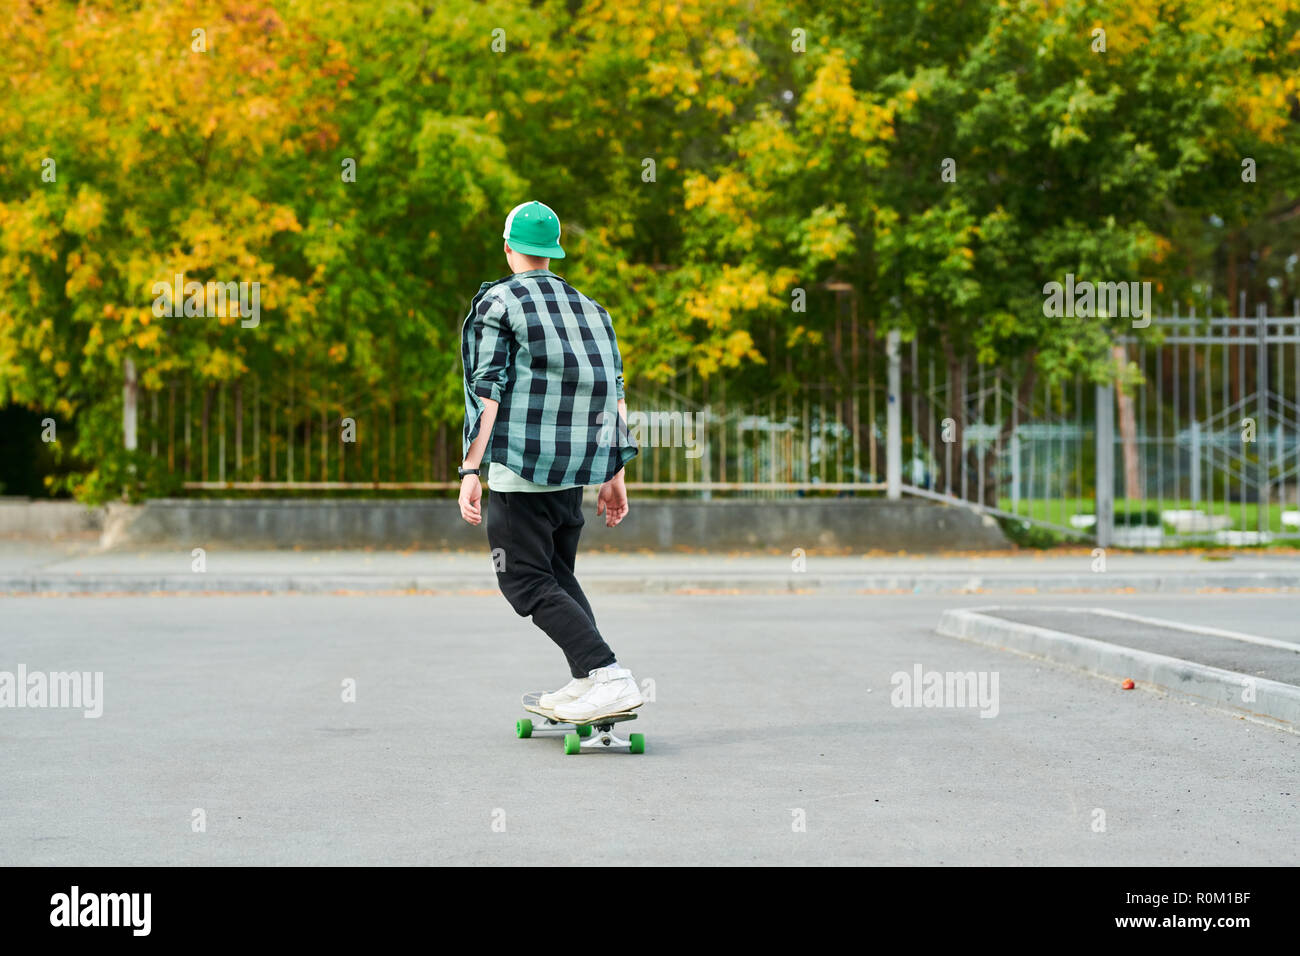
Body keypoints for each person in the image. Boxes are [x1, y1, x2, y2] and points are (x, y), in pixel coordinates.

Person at [457, 200, 643, 722]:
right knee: (557, 574)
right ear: (553, 251)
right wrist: (615, 473)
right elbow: (614, 392)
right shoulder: (592, 308)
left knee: (523, 578)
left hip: (520, 473)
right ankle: (588, 679)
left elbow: (486, 391)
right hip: (573, 475)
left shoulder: (498, 303)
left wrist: (471, 470)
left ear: (509, 247)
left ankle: (608, 674)